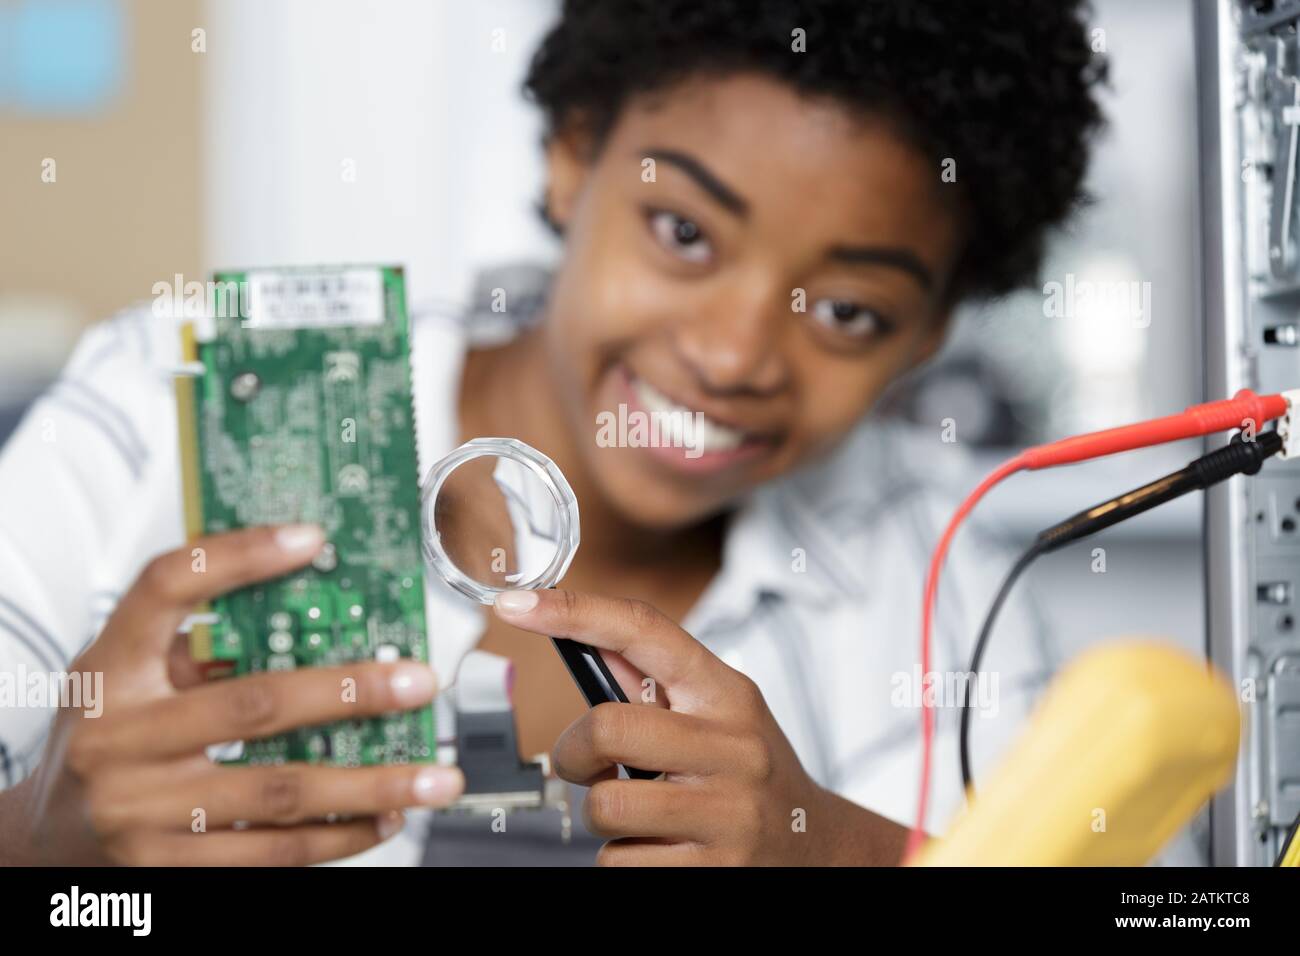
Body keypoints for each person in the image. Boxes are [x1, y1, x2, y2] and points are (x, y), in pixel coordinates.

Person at [0, 0, 1106, 865]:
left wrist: (845, 852)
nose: (731, 355)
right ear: (573, 155)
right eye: (682, 231)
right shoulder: (166, 397)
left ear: (929, 334)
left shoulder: (958, 599)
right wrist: (42, 846)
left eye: (849, 310)